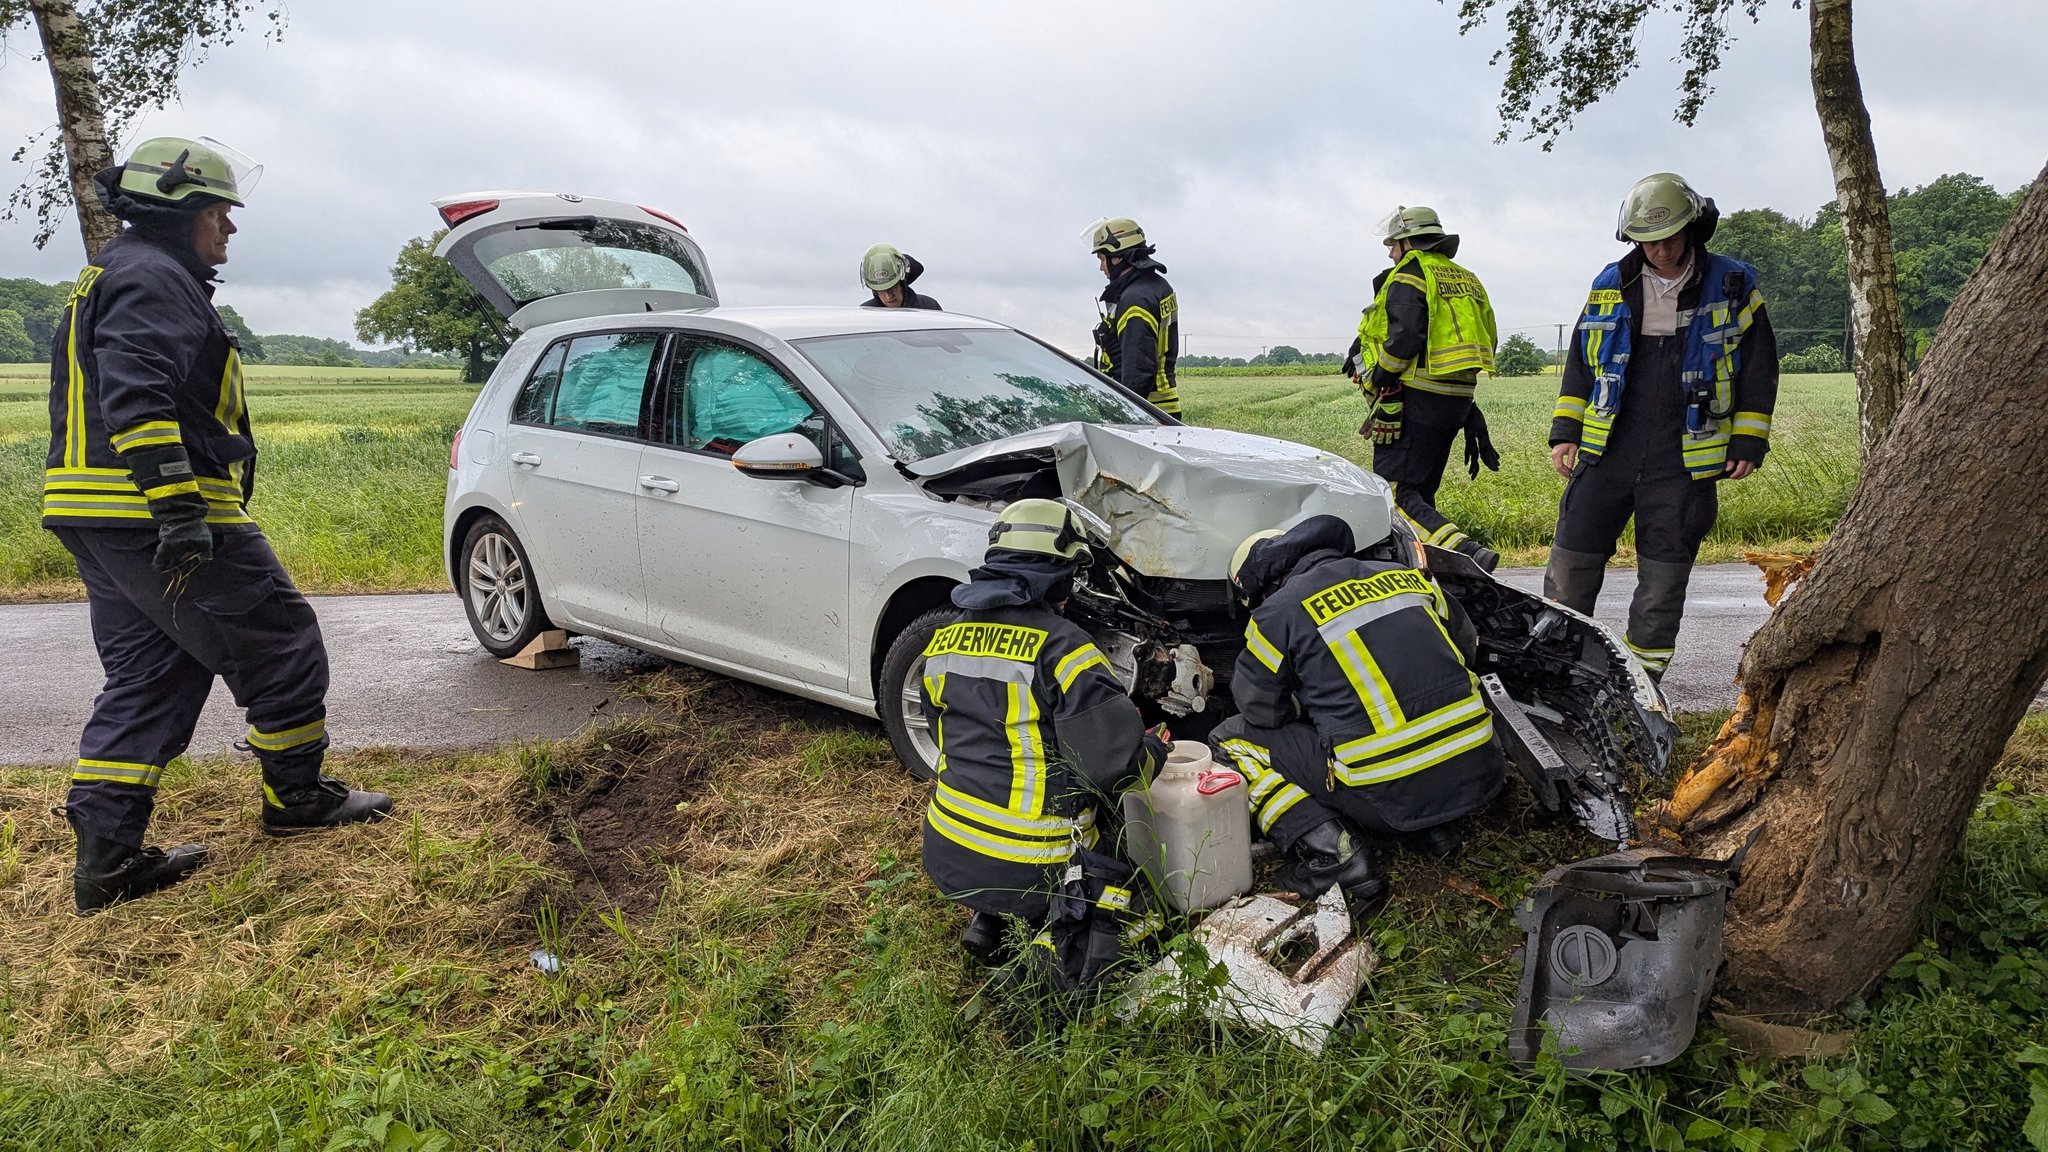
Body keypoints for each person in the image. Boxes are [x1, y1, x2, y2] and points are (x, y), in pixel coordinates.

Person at [43, 136, 392, 916]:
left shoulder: (118, 272)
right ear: (178, 212)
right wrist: (177, 509)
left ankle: (108, 860)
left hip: (94, 512)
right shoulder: (155, 277)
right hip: (153, 514)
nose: (228, 229)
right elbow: (136, 394)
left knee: (153, 673)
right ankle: (298, 798)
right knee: (281, 637)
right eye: (217, 212)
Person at [1544, 173, 1779, 680]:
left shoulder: (1732, 284)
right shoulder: (1610, 283)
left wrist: (1747, 440)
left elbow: (1760, 368)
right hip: (1607, 450)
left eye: (1670, 237)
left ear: (1693, 227)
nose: (1661, 250)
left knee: (1663, 581)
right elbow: (1581, 365)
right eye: (1648, 241)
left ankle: (1640, 686)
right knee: (1569, 568)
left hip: (1683, 459)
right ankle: (1559, 673)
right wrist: (1565, 432)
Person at [1207, 516, 1506, 906]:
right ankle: (1434, 830)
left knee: (1229, 738)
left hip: (1388, 795)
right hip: (1480, 769)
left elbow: (1259, 709)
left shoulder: (1278, 612)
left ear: (1257, 584)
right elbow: (1465, 647)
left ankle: (1335, 857)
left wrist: (1314, 703)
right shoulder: (1408, 577)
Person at [919, 499, 1165, 961]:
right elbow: (1115, 770)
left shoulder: (943, 641)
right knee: (1142, 895)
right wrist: (1153, 749)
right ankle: (1052, 933)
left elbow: (947, 735)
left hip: (947, 849)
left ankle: (988, 915)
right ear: (1062, 577)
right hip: (1037, 868)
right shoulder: (1066, 649)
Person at [1352, 206, 1502, 571]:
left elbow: (1405, 338)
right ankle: (1428, 570)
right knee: (1421, 495)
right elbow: (1489, 338)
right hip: (1457, 402)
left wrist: (1377, 377)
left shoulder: (1410, 274)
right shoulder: (1466, 278)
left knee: (1396, 494)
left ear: (1406, 242)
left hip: (1416, 399)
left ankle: (1466, 553)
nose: (1389, 253)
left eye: (1392, 245)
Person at [1088, 217, 1181, 417]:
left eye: (1103, 259)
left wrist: (1124, 414)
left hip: (1146, 414)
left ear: (1118, 257)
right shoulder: (1157, 286)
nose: (1101, 267)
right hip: (1164, 409)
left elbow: (1138, 370)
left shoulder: (1135, 300)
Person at [859, 243, 942, 310]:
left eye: (892, 287)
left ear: (902, 282)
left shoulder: (929, 308)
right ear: (874, 291)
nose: (888, 296)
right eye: (881, 291)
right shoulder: (866, 316)